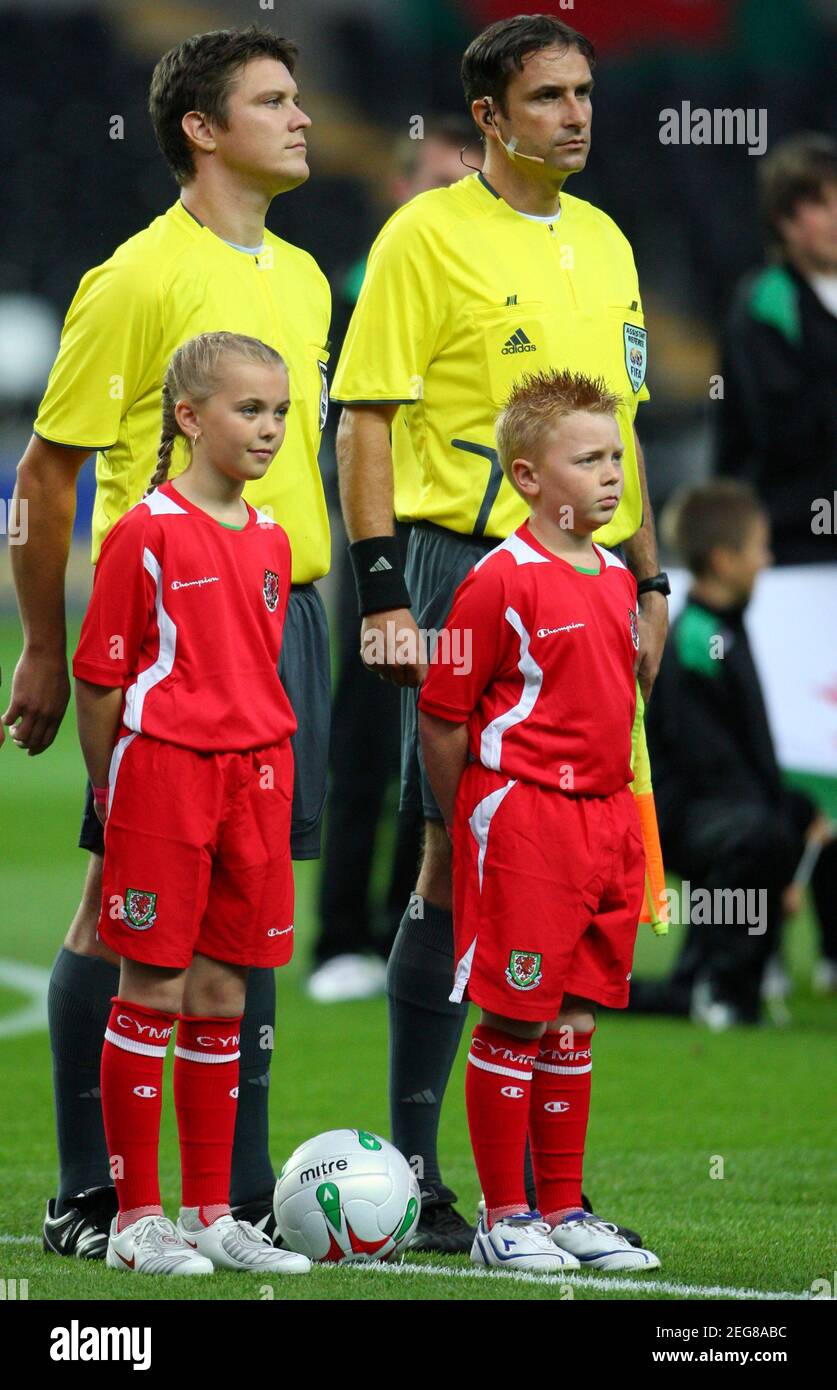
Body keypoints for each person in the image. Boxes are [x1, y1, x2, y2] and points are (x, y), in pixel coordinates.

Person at [330, 13, 668, 1250]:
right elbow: (366, 417)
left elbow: (619, 433)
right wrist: (381, 588)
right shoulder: (424, 235)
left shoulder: (610, 242)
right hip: (456, 560)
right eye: (548, 97)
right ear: (487, 116)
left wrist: (653, 576)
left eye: (584, 93)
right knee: (447, 857)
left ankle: (549, 1193)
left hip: (592, 580)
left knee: (572, 863)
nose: (576, 114)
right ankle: (423, 1173)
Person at [3, 25, 331, 1257]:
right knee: (118, 910)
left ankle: (225, 1200)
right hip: (173, 633)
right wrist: (45, 643)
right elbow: (45, 470)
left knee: (244, 918)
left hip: (286, 612)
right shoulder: (136, 277)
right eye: (274, 101)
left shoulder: (302, 279)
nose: (303, 119)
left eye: (302, 100)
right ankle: (93, 1194)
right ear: (202, 127)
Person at [73, 332, 310, 1275]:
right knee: (154, 989)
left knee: (223, 989)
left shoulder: (272, 538)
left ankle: (210, 1211)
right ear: (189, 416)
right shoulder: (145, 531)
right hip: (164, 779)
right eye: (249, 410)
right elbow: (101, 679)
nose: (269, 429)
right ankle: (137, 1218)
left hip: (257, 778)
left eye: (281, 412)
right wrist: (114, 785)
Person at [418, 368, 660, 1271]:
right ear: (526, 477)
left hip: (605, 819)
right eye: (587, 460)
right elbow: (441, 713)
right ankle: (502, 1216)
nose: (610, 477)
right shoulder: (497, 581)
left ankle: (562, 1211)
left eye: (614, 458)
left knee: (575, 1021)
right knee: (515, 1018)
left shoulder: (610, 580)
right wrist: (476, 815)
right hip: (525, 819)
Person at [309, 116, 474, 1005]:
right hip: (385, 529)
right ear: (400, 190)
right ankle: (339, 934)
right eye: (435, 181)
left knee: (441, 736)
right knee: (366, 733)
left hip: (458, 533)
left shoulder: (490, 277)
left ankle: (401, 924)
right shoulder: (369, 279)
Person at [634, 481, 837, 1026]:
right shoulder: (700, 637)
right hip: (676, 813)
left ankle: (738, 970)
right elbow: (712, 763)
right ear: (724, 561)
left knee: (799, 812)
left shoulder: (723, 627)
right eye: (759, 549)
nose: (768, 561)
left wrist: (793, 828)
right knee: (759, 832)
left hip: (714, 806)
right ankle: (715, 984)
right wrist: (779, 849)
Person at [717, 133, 837, 564]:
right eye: (821, 205)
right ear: (784, 221)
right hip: (789, 541)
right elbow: (784, 428)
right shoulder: (765, 304)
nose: (836, 217)